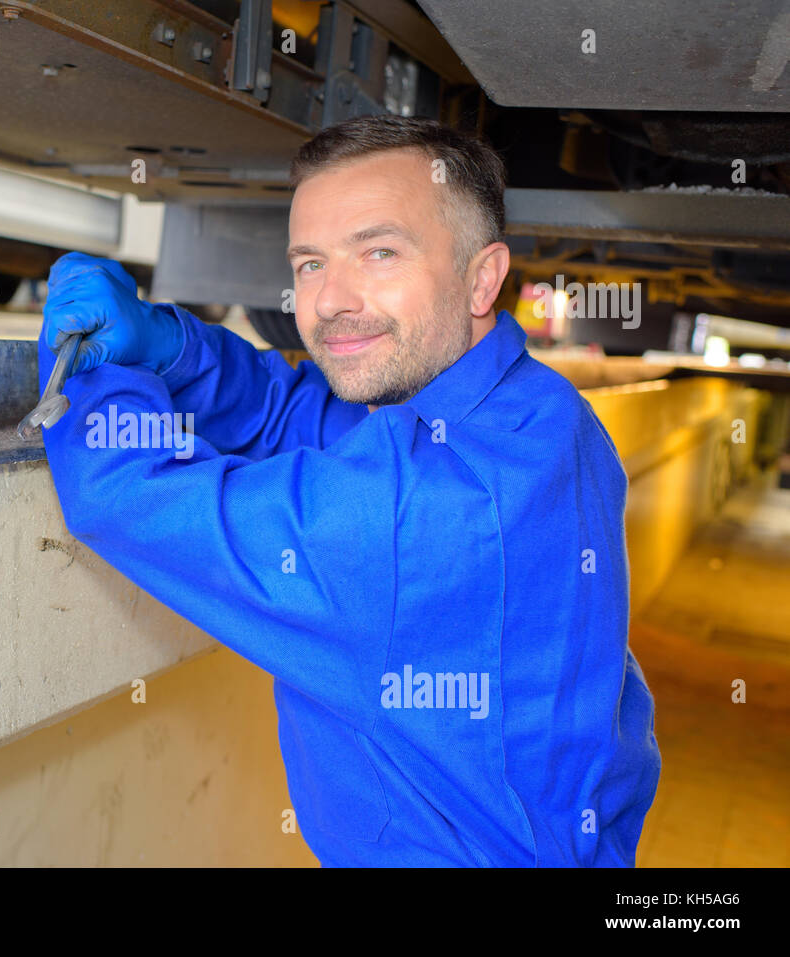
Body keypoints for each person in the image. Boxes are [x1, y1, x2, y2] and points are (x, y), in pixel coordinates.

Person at [35, 114, 661, 867]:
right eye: (309, 264)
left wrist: (99, 374)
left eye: (380, 252)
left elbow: (122, 494)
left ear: (483, 276)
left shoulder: (400, 522)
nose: (330, 299)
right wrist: (176, 348)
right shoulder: (544, 415)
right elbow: (308, 417)